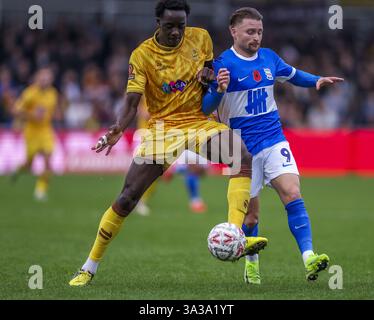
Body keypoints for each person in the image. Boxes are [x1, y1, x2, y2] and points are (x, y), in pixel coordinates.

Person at [69, 0, 268, 287]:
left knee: (242, 157)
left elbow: (209, 75)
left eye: (181, 26)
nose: (176, 32)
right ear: (158, 25)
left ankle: (234, 233)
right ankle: (89, 267)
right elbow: (131, 102)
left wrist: (210, 79)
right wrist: (117, 128)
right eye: (170, 26)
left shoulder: (201, 38)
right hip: (162, 129)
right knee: (127, 198)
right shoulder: (142, 55)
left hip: (197, 122)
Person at [202, 7, 344, 284]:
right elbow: (205, 106)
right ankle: (252, 266)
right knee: (252, 216)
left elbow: (293, 74)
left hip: (273, 138)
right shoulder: (221, 64)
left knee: (292, 193)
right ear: (234, 31)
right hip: (242, 150)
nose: (256, 37)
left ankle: (309, 257)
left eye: (259, 32)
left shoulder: (269, 58)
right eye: (250, 32)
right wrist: (218, 90)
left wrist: (316, 80)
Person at [11, 66, 59, 201]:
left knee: (48, 161)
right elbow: (15, 110)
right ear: (38, 78)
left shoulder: (53, 93)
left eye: (48, 77)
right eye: (43, 77)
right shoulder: (30, 93)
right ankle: (18, 169)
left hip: (46, 130)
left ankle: (40, 190)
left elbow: (52, 110)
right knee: (28, 164)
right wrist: (31, 114)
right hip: (31, 132)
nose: (45, 80)